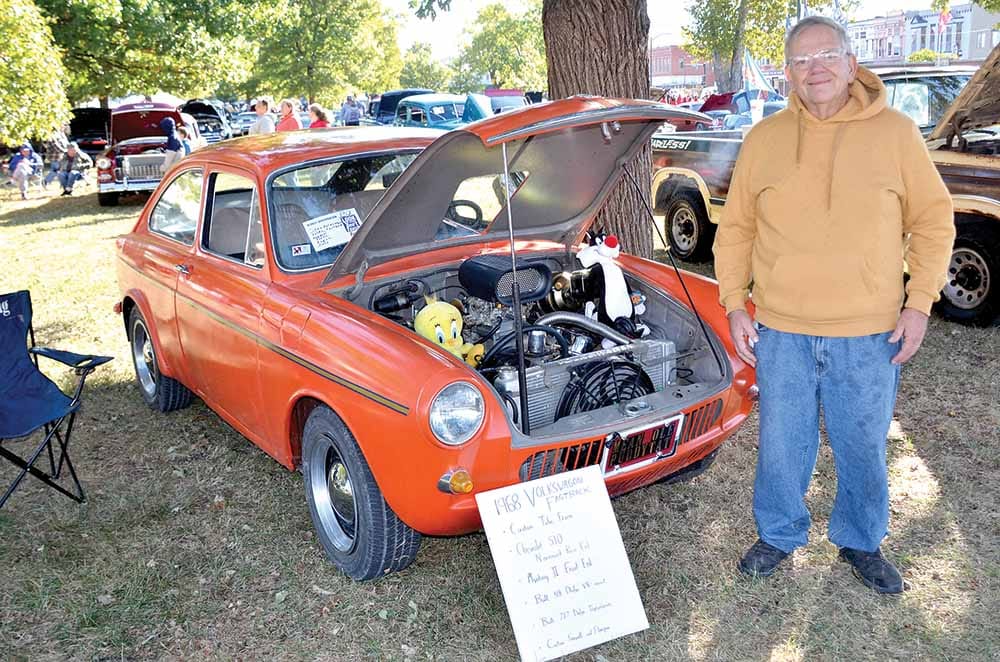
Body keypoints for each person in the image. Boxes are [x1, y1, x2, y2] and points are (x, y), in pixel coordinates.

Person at [713, 15, 955, 594]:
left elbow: (933, 221)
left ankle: (861, 540)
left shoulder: (896, 134)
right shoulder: (764, 140)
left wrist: (919, 303)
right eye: (801, 60)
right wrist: (734, 302)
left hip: (869, 331)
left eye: (827, 56)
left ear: (851, 63)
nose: (815, 68)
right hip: (782, 329)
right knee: (782, 442)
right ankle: (778, 533)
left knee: (863, 441)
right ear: (787, 74)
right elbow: (738, 228)